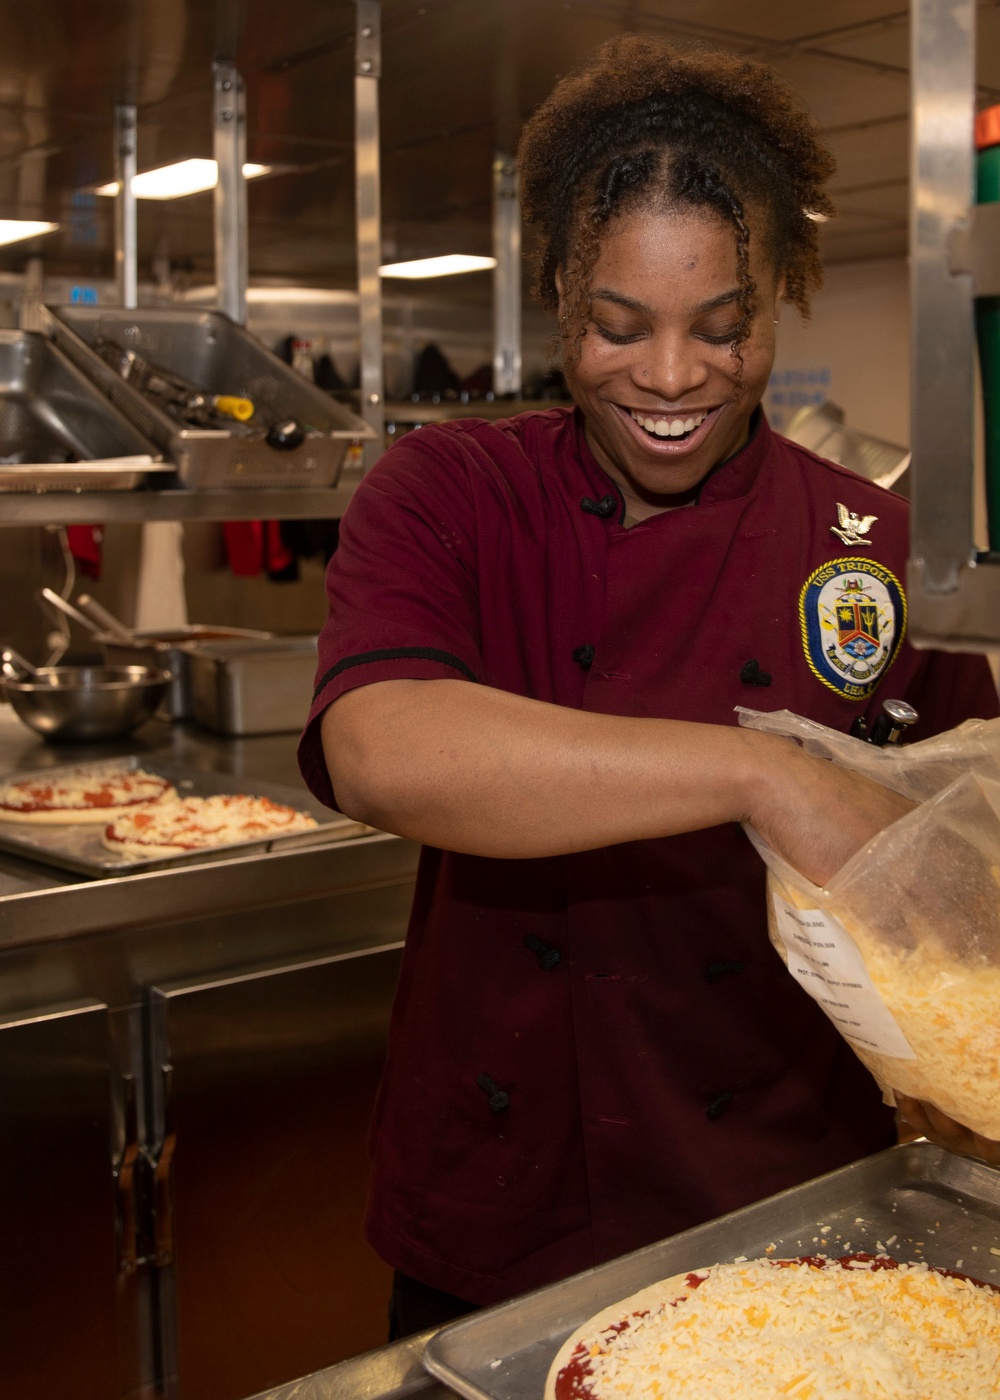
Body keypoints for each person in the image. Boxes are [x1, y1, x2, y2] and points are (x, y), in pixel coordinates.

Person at [298, 36, 1000, 1336]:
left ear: (779, 297)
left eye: (723, 328)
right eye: (619, 328)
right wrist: (766, 774)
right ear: (559, 297)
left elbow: (972, 859)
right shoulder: (455, 495)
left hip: (788, 1198)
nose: (672, 377)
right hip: (503, 1192)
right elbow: (380, 748)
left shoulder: (873, 545)